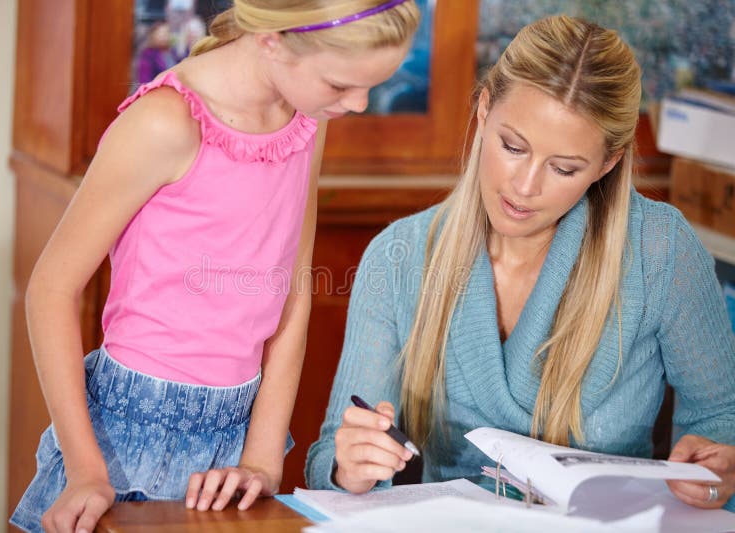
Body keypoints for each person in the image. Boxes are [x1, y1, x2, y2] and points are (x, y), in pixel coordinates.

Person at [10, 1, 420, 532]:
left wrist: (263, 460)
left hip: (233, 446)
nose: (359, 104)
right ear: (272, 40)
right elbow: (50, 290)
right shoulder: (164, 124)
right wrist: (87, 471)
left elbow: (293, 291)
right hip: (123, 439)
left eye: (371, 86)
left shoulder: (306, 122)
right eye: (341, 84)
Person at [305, 14, 735, 513]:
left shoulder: (661, 249)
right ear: (484, 110)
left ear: (609, 162)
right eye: (513, 147)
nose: (525, 187)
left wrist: (718, 463)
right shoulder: (397, 258)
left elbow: (722, 416)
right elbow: (331, 453)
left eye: (564, 167)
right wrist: (349, 467)